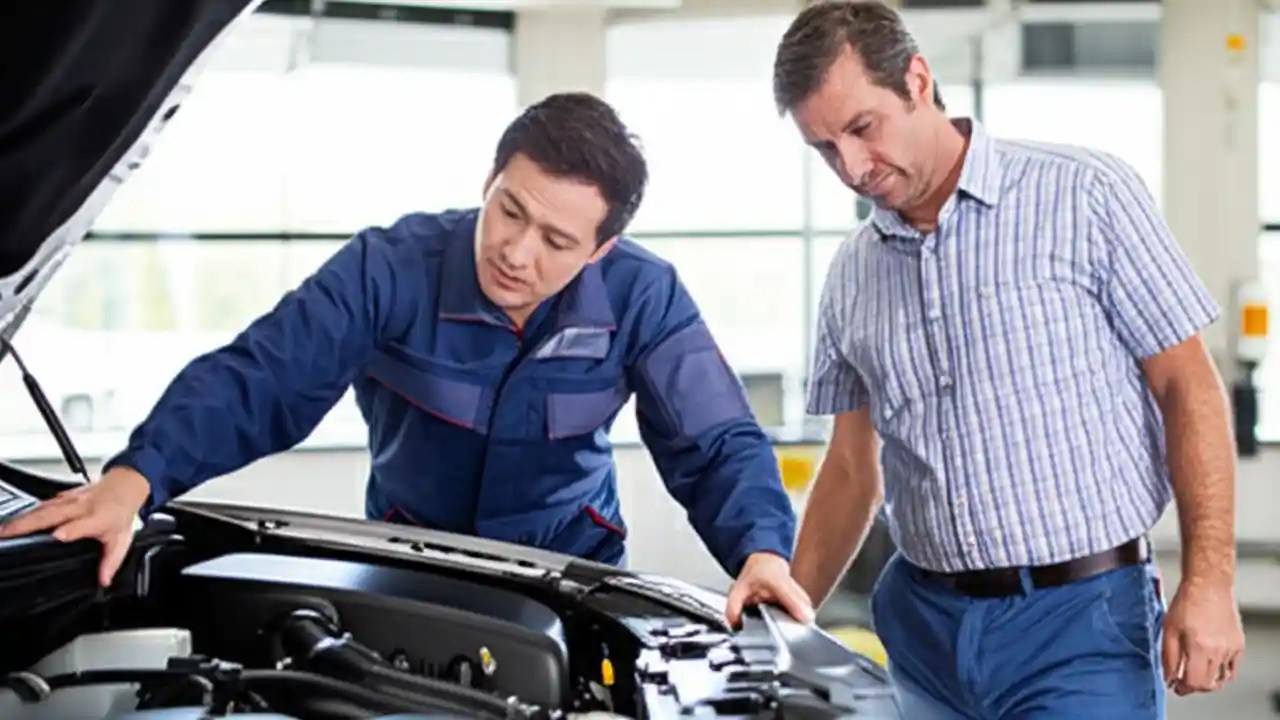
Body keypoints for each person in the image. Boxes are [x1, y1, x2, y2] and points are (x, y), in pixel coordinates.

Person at [0, 92, 813, 627]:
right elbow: (266, 376)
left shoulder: (646, 297)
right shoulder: (390, 267)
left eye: (557, 240)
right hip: (406, 563)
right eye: (509, 210)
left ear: (603, 250)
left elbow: (715, 442)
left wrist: (762, 553)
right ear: (490, 179)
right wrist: (136, 479)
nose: (516, 253)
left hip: (574, 570)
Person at [771, 1, 1245, 717]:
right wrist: (790, 606)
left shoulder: (1084, 195)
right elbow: (848, 467)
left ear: (917, 81)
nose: (853, 168)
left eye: (862, 128)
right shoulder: (851, 273)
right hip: (922, 628)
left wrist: (1210, 582)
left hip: (1080, 622)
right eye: (824, 148)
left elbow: (1188, 385)